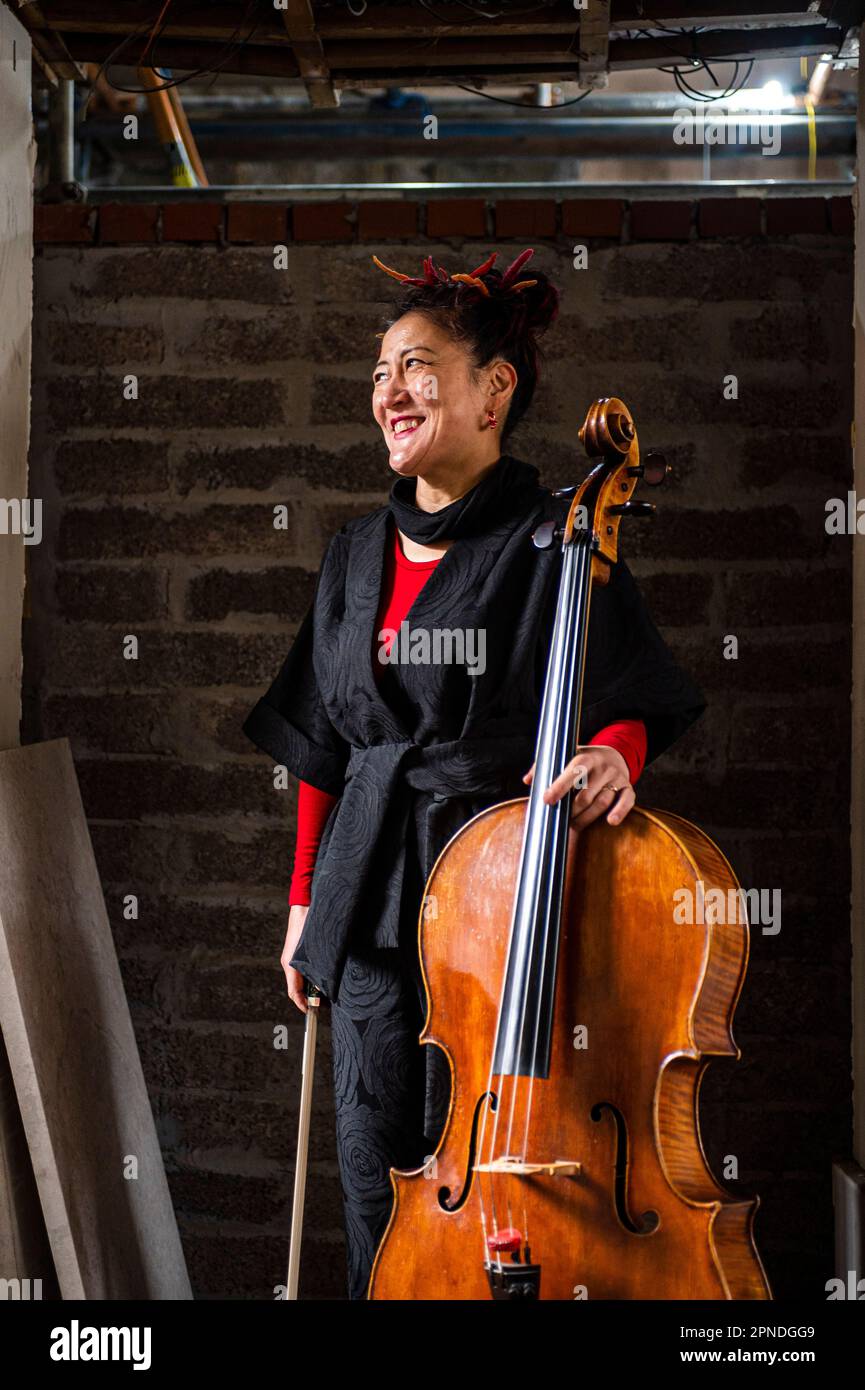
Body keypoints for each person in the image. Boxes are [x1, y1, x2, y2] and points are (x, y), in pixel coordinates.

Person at [242, 247, 705, 1300]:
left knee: (492, 1164)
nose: (388, 391)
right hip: (365, 895)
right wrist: (306, 898)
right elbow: (324, 742)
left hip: (495, 903)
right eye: (378, 373)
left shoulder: (556, 535)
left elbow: (633, 693)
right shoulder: (353, 554)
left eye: (415, 365)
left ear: (494, 388)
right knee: (378, 1173)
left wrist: (610, 753)